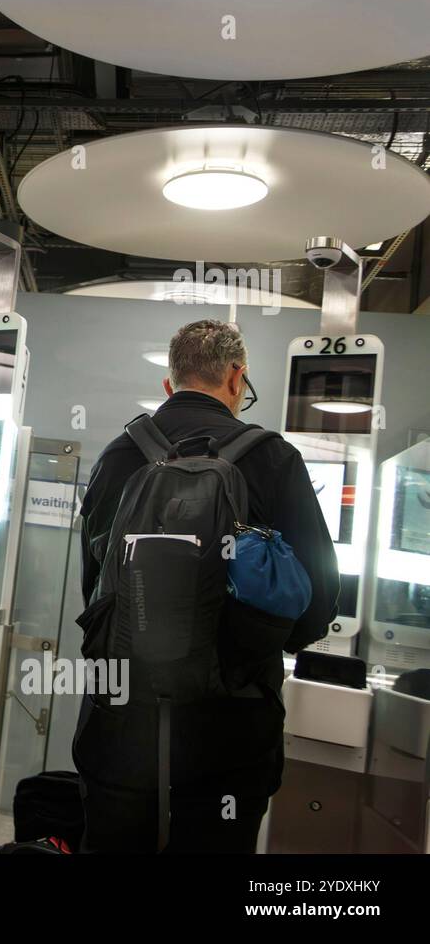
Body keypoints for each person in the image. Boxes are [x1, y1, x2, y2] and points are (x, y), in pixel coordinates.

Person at [75, 319, 339, 853]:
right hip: (230, 733)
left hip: (120, 724)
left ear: (170, 385)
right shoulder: (274, 459)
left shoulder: (118, 456)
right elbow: (317, 603)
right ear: (237, 378)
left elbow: (94, 590)